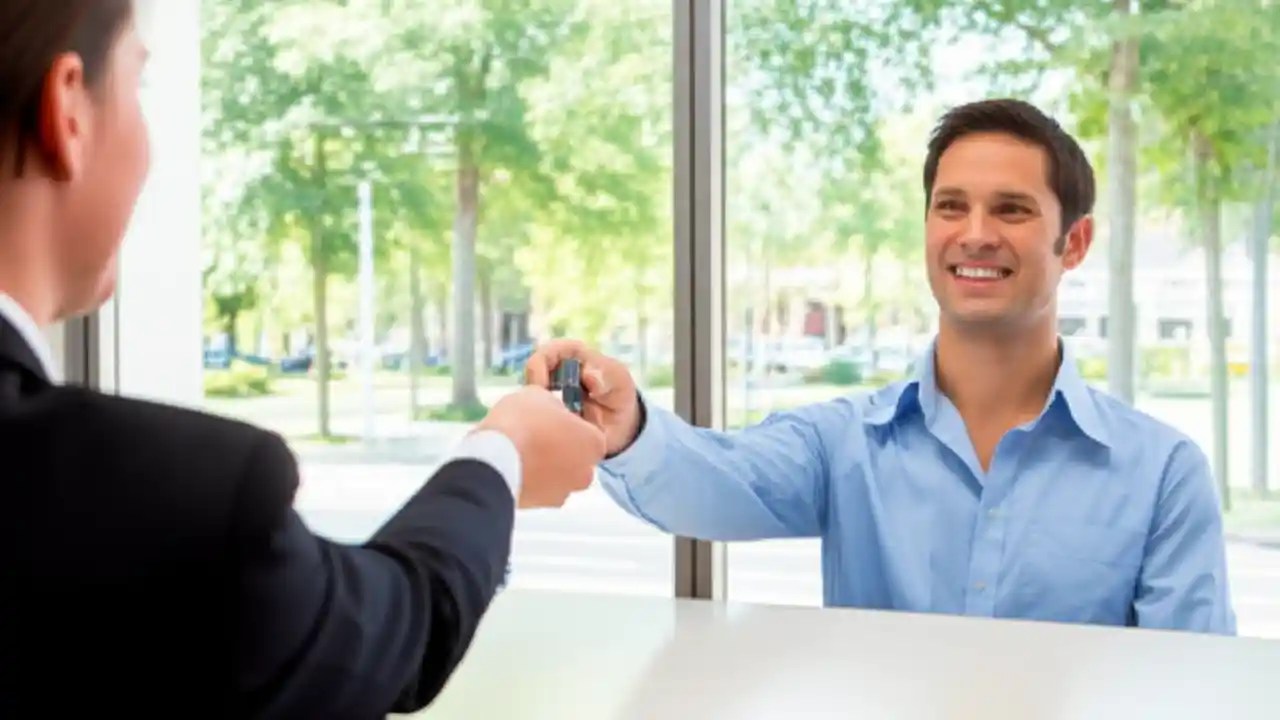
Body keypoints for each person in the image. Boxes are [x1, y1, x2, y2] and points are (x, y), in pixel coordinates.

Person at [0, 2, 605, 717]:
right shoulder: (170, 494)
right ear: (69, 110)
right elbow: (398, 628)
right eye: (138, 85)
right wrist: (505, 458)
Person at [528, 98, 1236, 634]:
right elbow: (709, 482)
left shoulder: (1161, 474)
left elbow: (1188, 688)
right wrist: (625, 426)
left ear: (1073, 243)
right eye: (951, 206)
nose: (976, 234)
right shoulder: (844, 444)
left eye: (1012, 209)